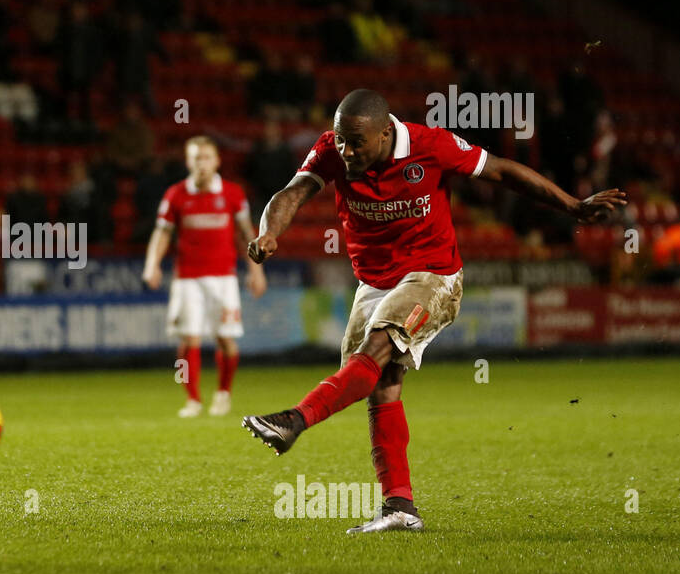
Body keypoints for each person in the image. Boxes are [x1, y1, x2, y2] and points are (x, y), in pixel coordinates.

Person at [242, 89, 626, 532]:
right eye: (342, 141)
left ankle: (295, 420)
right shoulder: (333, 148)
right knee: (380, 383)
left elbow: (501, 171)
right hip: (374, 282)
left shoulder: (431, 145)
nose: (346, 151)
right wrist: (270, 233)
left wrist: (572, 205)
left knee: (379, 346)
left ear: (386, 133)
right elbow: (291, 193)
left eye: (357, 143)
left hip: (433, 276)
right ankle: (399, 507)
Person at [143, 136, 267, 418]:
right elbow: (162, 232)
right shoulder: (176, 194)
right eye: (196, 158)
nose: (202, 164)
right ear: (188, 162)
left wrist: (256, 269)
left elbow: (246, 233)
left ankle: (223, 393)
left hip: (224, 278)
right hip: (187, 277)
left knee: (225, 339)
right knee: (189, 338)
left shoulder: (233, 193)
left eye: (207, 157)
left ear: (217, 161)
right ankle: (193, 400)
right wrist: (152, 264)